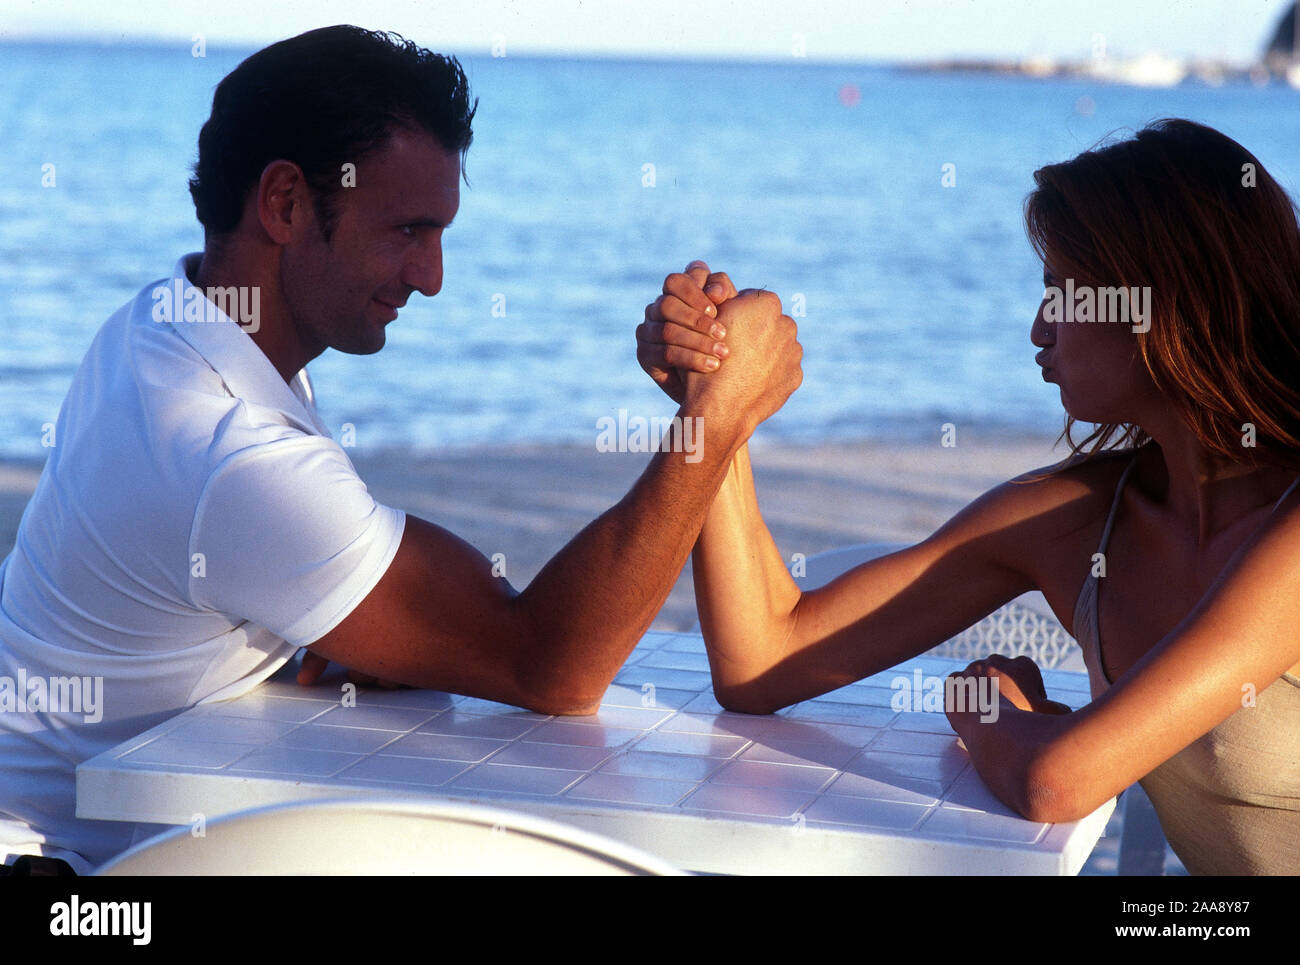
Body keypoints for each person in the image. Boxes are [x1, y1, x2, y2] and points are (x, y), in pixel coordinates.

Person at [0, 25, 800, 873]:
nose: (433, 277)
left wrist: (330, 621)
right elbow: (549, 664)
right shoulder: (231, 453)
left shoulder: (165, 323)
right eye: (408, 230)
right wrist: (717, 417)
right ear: (283, 204)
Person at [638, 118, 1300, 875]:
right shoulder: (1079, 521)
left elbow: (1057, 778)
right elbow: (762, 661)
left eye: (1062, 293)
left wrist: (988, 716)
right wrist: (716, 406)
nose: (1038, 328)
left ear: (1160, 305)